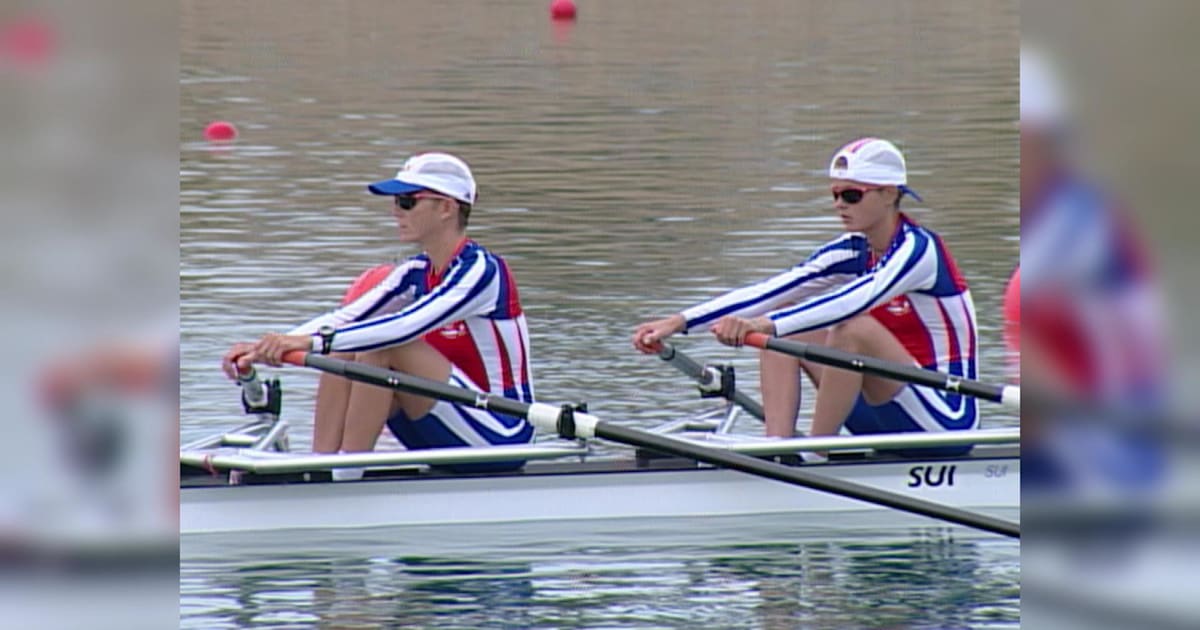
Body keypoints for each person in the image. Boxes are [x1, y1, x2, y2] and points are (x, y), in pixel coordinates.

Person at [633, 138, 978, 455]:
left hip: (945, 421)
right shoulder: (854, 249)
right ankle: (777, 450)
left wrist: (762, 325)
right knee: (788, 320)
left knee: (851, 329)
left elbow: (854, 301)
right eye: (835, 195)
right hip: (882, 415)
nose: (839, 205)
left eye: (852, 195)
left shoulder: (919, 250)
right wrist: (679, 322)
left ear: (889, 194)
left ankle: (815, 453)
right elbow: (775, 289)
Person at [221, 152, 536, 475]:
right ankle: (318, 467)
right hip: (454, 427)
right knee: (343, 348)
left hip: (504, 433)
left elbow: (405, 326)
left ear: (446, 208)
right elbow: (343, 318)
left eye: (406, 201)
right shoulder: (414, 272)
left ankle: (345, 477)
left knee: (383, 344)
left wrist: (308, 343)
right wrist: (266, 347)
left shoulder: (484, 271)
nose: (395, 211)